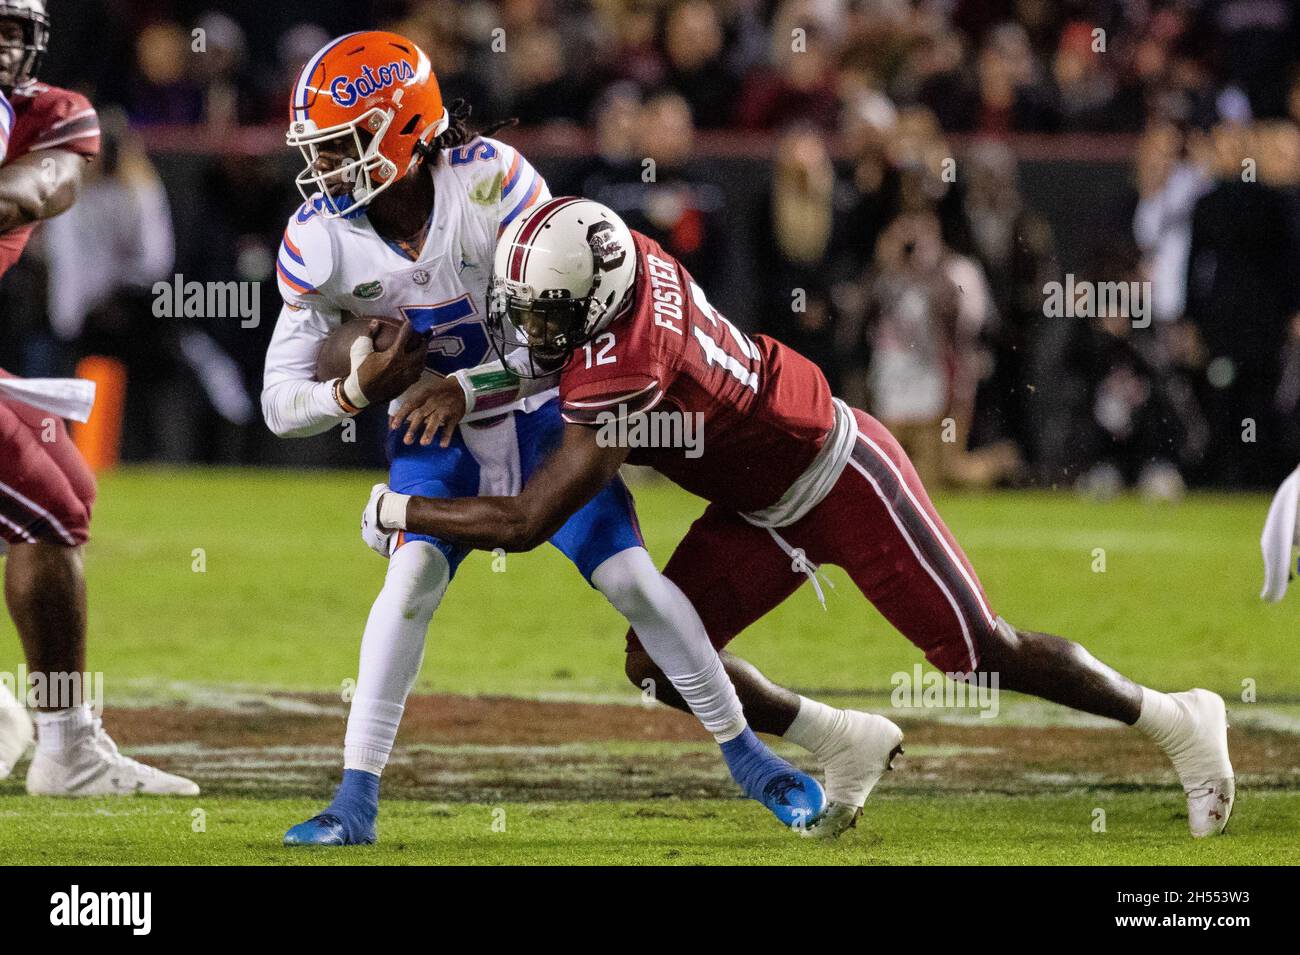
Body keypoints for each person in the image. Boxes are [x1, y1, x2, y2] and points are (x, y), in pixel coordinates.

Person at [382, 197, 1236, 838]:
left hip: (837, 474)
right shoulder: (619, 260)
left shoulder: (631, 356)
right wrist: (468, 385)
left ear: (598, 305)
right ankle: (842, 739)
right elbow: (550, 363)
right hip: (756, 503)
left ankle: (1178, 719)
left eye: (552, 315)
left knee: (980, 653)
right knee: (659, 659)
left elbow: (531, 517)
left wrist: (405, 508)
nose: (533, 331)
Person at [261, 31, 834, 845]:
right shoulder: (321, 239)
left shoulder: (491, 183)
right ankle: (354, 800)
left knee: (633, 579)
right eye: (318, 148)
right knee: (411, 579)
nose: (324, 168)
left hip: (534, 407)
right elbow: (280, 403)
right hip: (435, 424)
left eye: (343, 143)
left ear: (402, 127)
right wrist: (356, 390)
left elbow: (556, 339)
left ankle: (751, 759)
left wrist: (467, 385)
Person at [0, 0, 197, 796]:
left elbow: (39, 188)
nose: (3, 48)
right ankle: (63, 744)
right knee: (50, 494)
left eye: (12, 31)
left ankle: (57, 737)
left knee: (58, 486)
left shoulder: (54, 113)